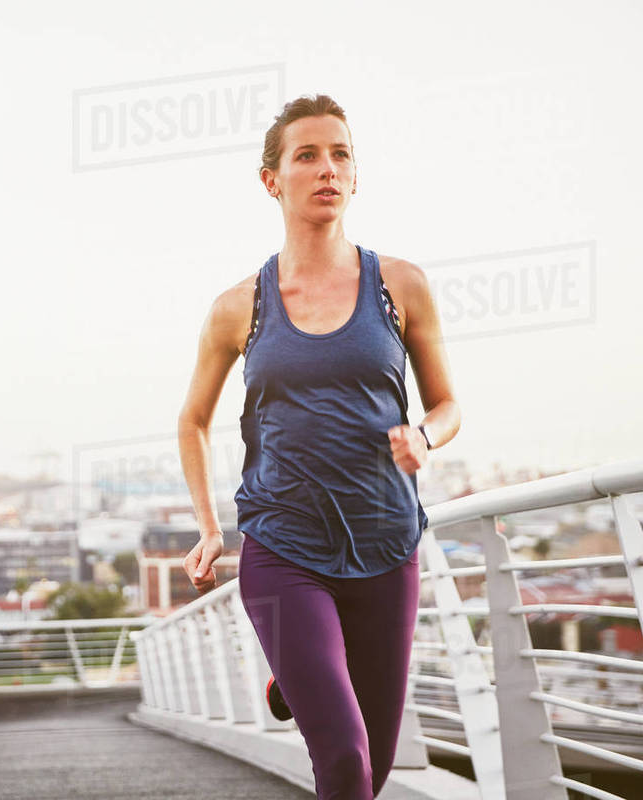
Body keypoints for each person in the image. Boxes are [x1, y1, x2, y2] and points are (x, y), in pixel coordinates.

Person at [175, 94, 460, 800]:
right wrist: (211, 529)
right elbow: (193, 420)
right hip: (282, 547)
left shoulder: (402, 286)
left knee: (376, 767)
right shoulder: (238, 307)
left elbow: (448, 406)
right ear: (271, 179)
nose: (327, 169)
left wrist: (424, 435)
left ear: (356, 176)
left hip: (387, 546)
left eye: (341, 155)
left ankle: (295, 677)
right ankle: (302, 669)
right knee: (343, 762)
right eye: (307, 155)